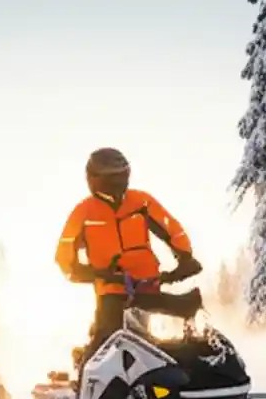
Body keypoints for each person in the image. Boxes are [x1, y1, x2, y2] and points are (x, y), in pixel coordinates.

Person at [54, 147, 202, 365]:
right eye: (112, 176)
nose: (117, 182)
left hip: (149, 287)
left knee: (183, 339)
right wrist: (85, 272)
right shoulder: (84, 212)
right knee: (104, 347)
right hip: (112, 292)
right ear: (96, 178)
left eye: (121, 175)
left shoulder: (141, 202)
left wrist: (185, 257)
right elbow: (64, 251)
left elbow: (171, 228)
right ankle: (88, 388)